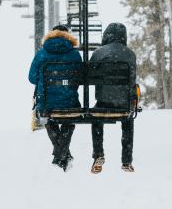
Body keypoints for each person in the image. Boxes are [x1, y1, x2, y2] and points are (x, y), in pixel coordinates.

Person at [29, 25, 82, 171]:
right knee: (69, 121)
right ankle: (62, 155)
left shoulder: (41, 54)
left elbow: (32, 78)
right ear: (67, 36)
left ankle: (61, 155)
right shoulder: (75, 55)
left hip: (46, 103)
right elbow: (80, 77)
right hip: (69, 101)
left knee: (49, 121)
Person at [89, 22, 137, 173]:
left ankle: (98, 154)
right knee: (128, 120)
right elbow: (132, 79)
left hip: (104, 101)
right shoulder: (130, 54)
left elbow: (89, 76)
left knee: (96, 118)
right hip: (123, 103)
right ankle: (126, 160)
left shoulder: (98, 52)